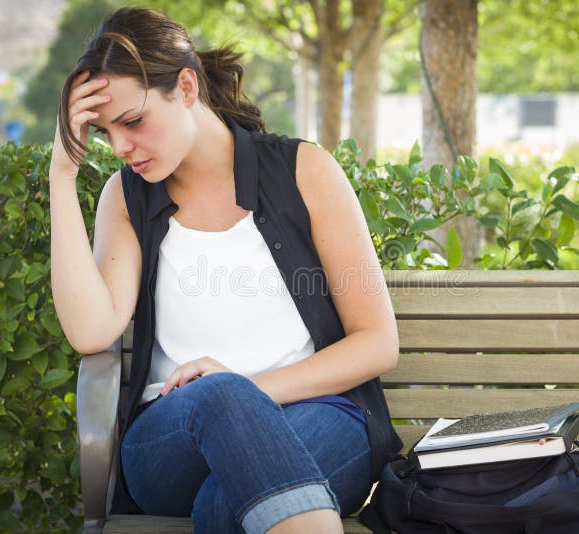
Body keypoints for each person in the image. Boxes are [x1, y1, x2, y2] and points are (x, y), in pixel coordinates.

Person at [49, 7, 402, 534]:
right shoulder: (126, 197)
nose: (120, 147)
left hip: (319, 417)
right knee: (216, 395)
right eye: (104, 132)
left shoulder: (304, 171)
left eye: (132, 121)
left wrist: (248, 388)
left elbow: (378, 342)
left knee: (225, 504)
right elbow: (90, 331)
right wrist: (61, 173)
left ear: (186, 86)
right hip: (173, 441)